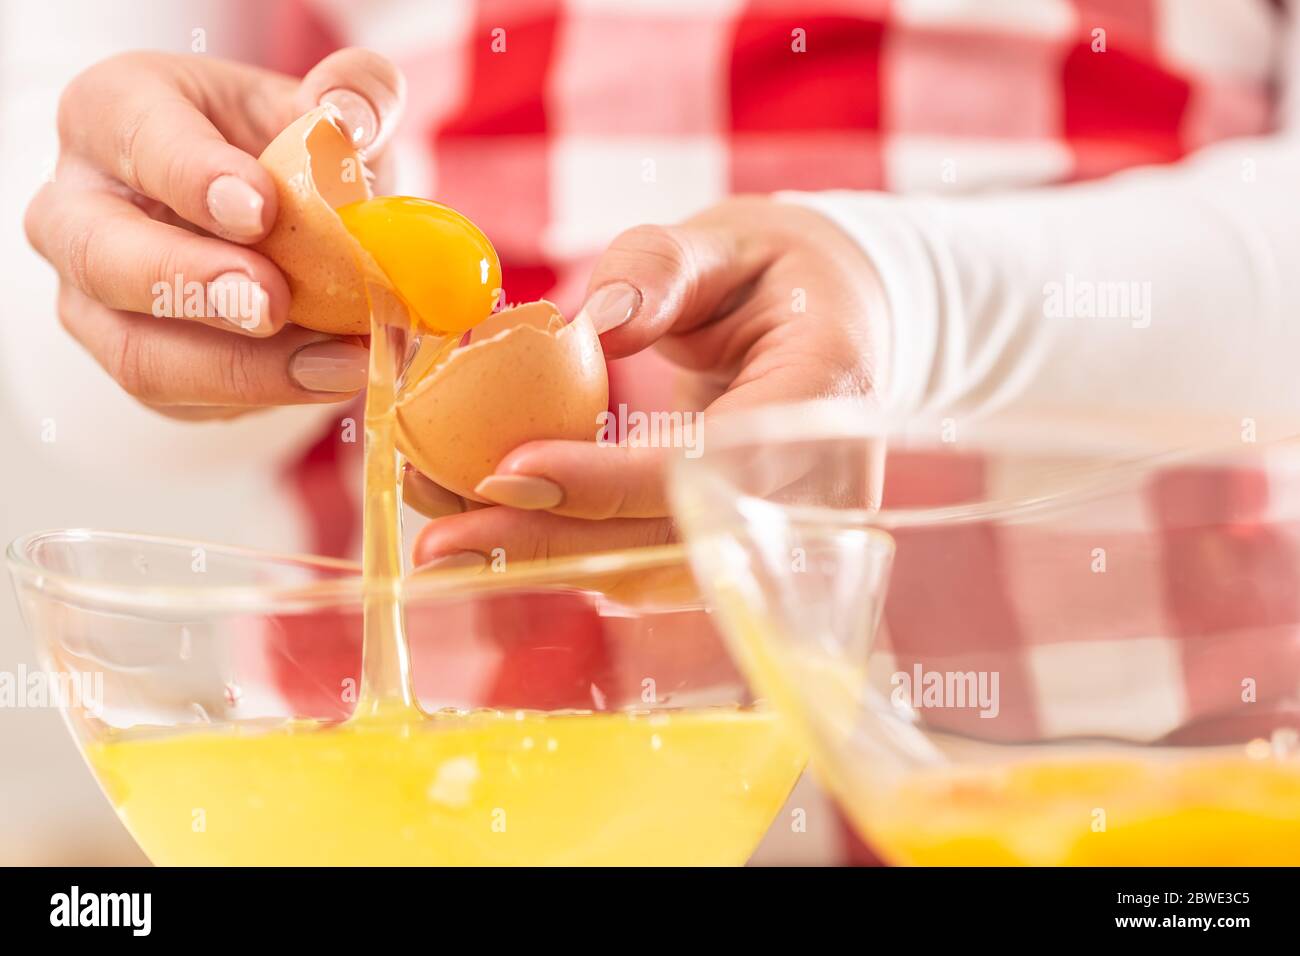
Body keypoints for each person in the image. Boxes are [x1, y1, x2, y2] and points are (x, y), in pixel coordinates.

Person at [16, 0, 1300, 862]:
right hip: (439, 804)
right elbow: (87, 385)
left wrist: (918, 298)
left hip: (1136, 785)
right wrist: (194, 292)